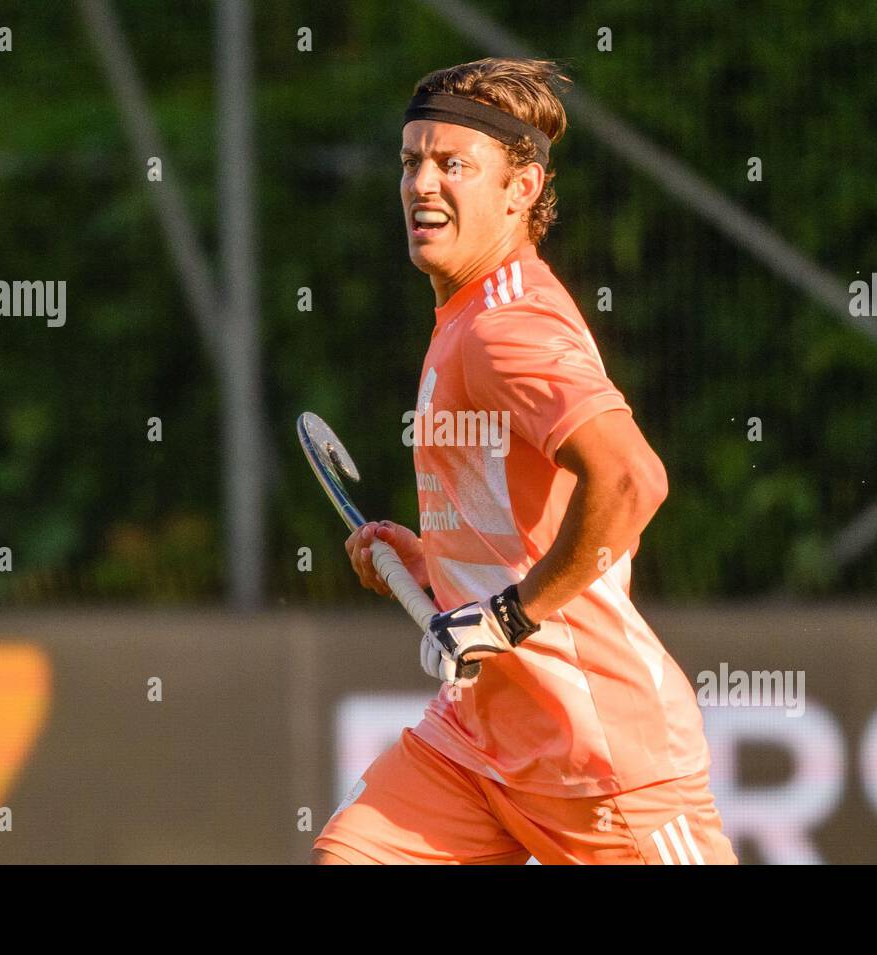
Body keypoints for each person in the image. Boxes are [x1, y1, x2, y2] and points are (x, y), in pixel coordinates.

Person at [313, 57, 736, 865]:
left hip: (599, 758)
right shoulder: (469, 308)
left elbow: (631, 478)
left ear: (522, 187)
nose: (421, 185)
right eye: (411, 162)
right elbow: (521, 517)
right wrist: (437, 565)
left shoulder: (506, 327)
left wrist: (506, 618)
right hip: (478, 744)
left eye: (453, 165)